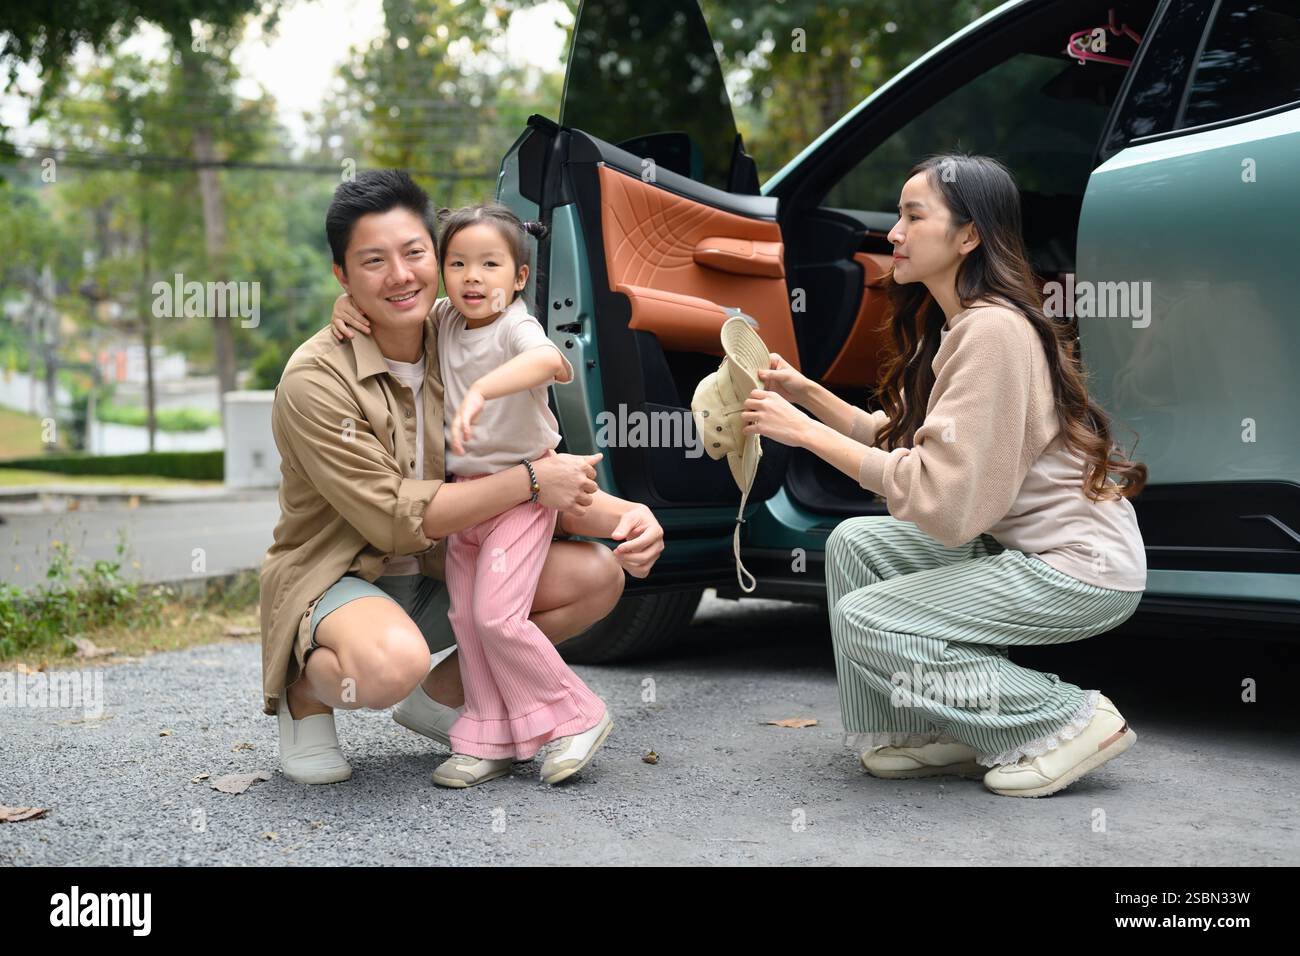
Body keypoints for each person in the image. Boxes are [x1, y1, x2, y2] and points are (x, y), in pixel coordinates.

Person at [742, 153, 1148, 798]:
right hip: (1022, 547)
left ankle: (1066, 718)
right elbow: (912, 449)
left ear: (968, 235)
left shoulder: (992, 332)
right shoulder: (965, 325)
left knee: (871, 618)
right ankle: (916, 731)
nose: (894, 234)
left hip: (1077, 569)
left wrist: (800, 434)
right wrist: (807, 397)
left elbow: (943, 500)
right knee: (853, 543)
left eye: (912, 216)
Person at [262, 170, 664, 786]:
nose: (400, 275)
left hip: (440, 565)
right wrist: (533, 480)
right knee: (389, 662)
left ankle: (451, 702)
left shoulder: (458, 333)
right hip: (340, 573)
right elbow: (400, 519)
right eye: (372, 261)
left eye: (414, 253)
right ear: (342, 276)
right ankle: (305, 697)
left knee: (594, 575)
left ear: (438, 260)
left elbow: (524, 462)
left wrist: (628, 515)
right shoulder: (314, 380)